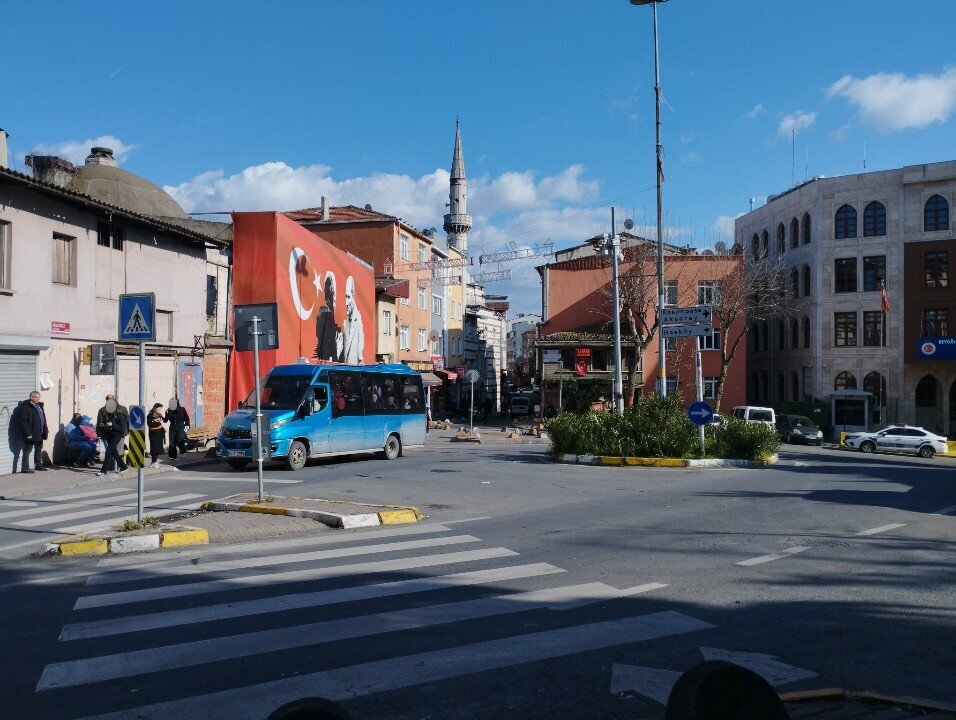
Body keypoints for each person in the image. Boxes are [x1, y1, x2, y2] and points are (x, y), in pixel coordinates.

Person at [17, 391, 48, 473]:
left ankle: (38, 465)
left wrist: (45, 430)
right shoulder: (26, 407)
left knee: (38, 449)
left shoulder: (39, 406)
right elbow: (23, 422)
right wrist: (28, 433)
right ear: (31, 397)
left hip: (40, 433)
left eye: (39, 397)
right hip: (31, 434)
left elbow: (43, 419)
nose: (38, 399)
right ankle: (25, 468)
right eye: (36, 397)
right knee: (27, 451)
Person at [96, 398, 128, 476]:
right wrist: (105, 425)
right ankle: (123, 467)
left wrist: (112, 425)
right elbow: (108, 422)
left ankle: (103, 471)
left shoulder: (120, 414)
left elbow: (122, 427)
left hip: (117, 435)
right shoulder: (110, 414)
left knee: (109, 451)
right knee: (114, 452)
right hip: (110, 434)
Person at [337, 275, 364, 364]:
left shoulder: (357, 318)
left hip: (354, 362)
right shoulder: (345, 320)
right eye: (345, 297)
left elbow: (361, 338)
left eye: (348, 297)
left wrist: (360, 355)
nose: (346, 302)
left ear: (353, 296)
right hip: (345, 363)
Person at [314, 273, 340, 362]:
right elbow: (327, 338)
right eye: (328, 292)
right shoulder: (324, 313)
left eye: (332, 292)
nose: (331, 297)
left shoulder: (326, 313)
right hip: (324, 354)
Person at [147, 403, 166, 468]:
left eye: (161, 409)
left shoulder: (159, 415)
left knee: (158, 448)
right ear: (155, 408)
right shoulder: (150, 415)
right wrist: (155, 420)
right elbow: (149, 424)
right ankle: (154, 462)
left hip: (159, 433)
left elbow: (164, 420)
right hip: (154, 433)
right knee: (155, 448)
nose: (160, 410)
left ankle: (154, 461)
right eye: (159, 409)